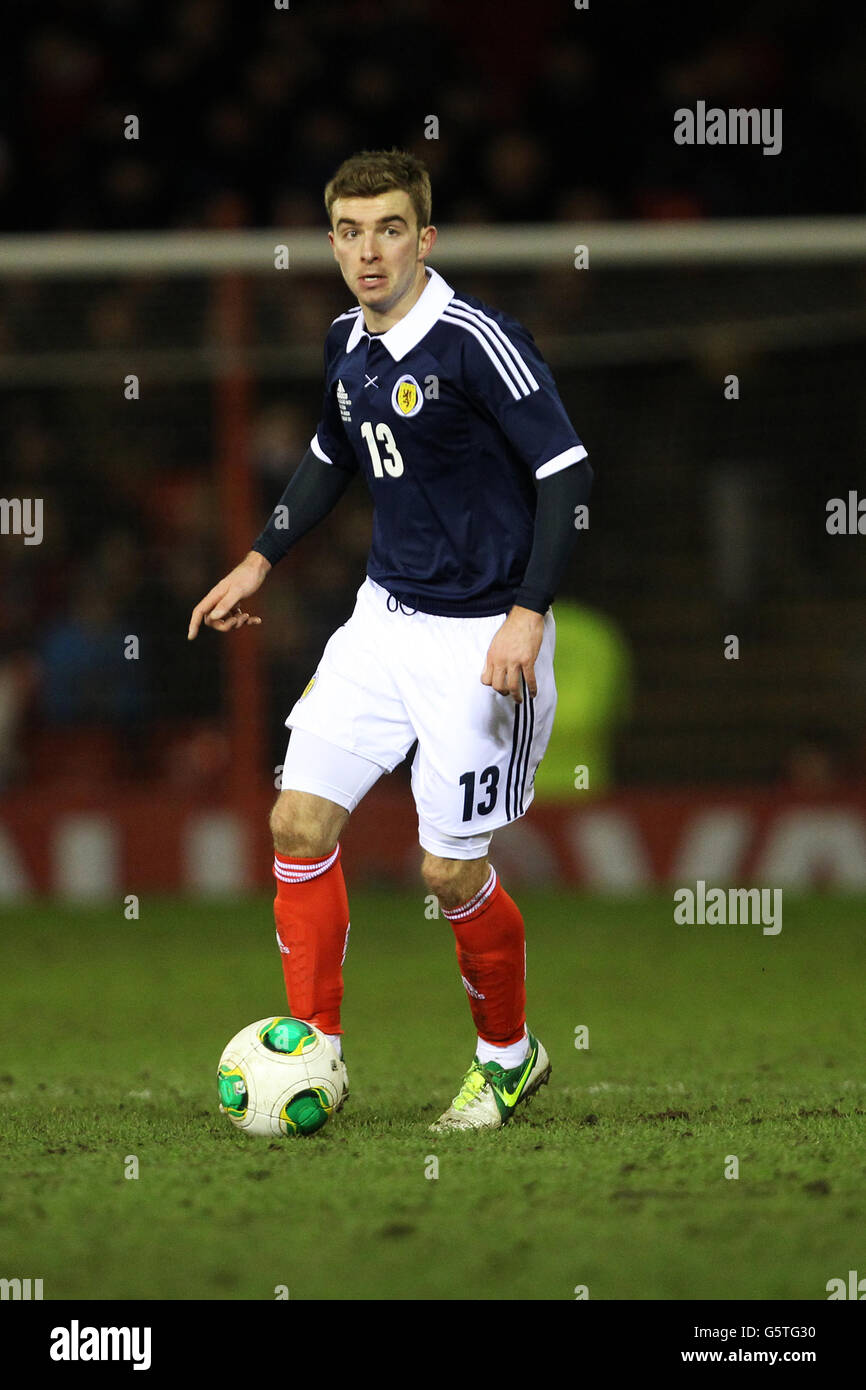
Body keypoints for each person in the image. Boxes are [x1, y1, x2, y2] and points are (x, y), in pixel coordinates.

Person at [188, 149, 592, 1132]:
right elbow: (332, 453)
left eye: (390, 229)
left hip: (481, 641)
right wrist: (258, 560)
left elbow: (565, 470)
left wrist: (526, 612)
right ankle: (314, 1047)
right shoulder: (345, 342)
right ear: (331, 242)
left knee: (447, 873)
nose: (369, 251)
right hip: (381, 621)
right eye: (350, 231)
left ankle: (507, 1056)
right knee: (295, 826)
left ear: (425, 237)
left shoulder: (473, 341)